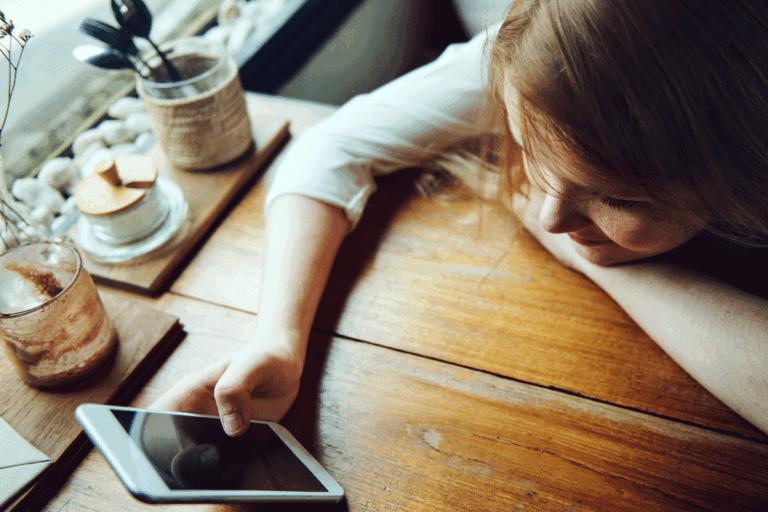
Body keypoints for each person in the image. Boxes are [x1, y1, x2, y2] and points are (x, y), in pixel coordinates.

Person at [152, 0, 768, 437]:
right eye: (531, 149)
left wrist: (615, 274)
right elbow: (330, 148)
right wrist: (277, 340)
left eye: (621, 198)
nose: (550, 217)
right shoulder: (539, 48)